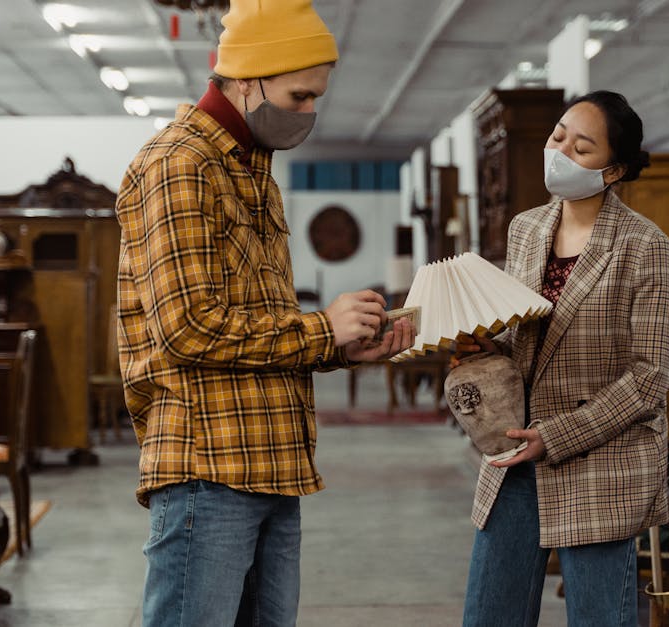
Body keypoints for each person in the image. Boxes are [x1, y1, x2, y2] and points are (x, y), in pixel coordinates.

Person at [114, 1, 415, 625]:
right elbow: (189, 327)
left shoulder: (253, 173)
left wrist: (341, 344)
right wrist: (320, 328)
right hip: (210, 466)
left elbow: (255, 323)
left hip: (273, 462)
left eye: (314, 99)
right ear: (248, 79)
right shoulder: (181, 164)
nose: (308, 112)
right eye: (299, 96)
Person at [456, 90, 669, 626]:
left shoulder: (645, 245)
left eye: (582, 148)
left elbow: (651, 377)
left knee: (601, 618)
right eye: (559, 136)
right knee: (490, 614)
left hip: (600, 462)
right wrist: (489, 348)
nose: (560, 152)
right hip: (513, 455)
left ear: (614, 169)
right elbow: (523, 339)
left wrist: (554, 438)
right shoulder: (526, 229)